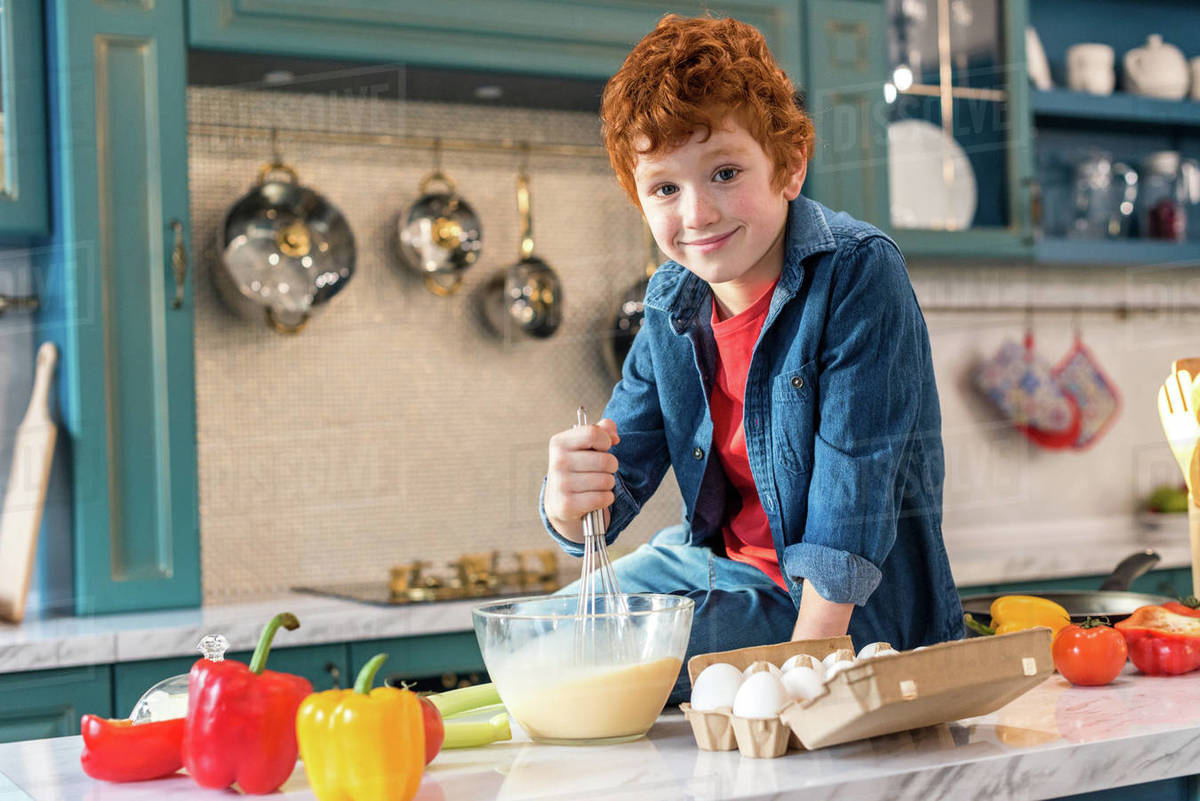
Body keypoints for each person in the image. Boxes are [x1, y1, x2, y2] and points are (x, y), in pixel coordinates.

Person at [539, 14, 963, 702]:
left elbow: (851, 500)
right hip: (720, 573)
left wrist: (801, 680)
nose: (698, 212)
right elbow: (612, 494)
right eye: (665, 188)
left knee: (586, 656)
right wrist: (568, 502)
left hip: (840, 617)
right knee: (537, 638)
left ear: (790, 165)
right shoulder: (669, 300)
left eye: (726, 172)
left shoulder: (858, 273)